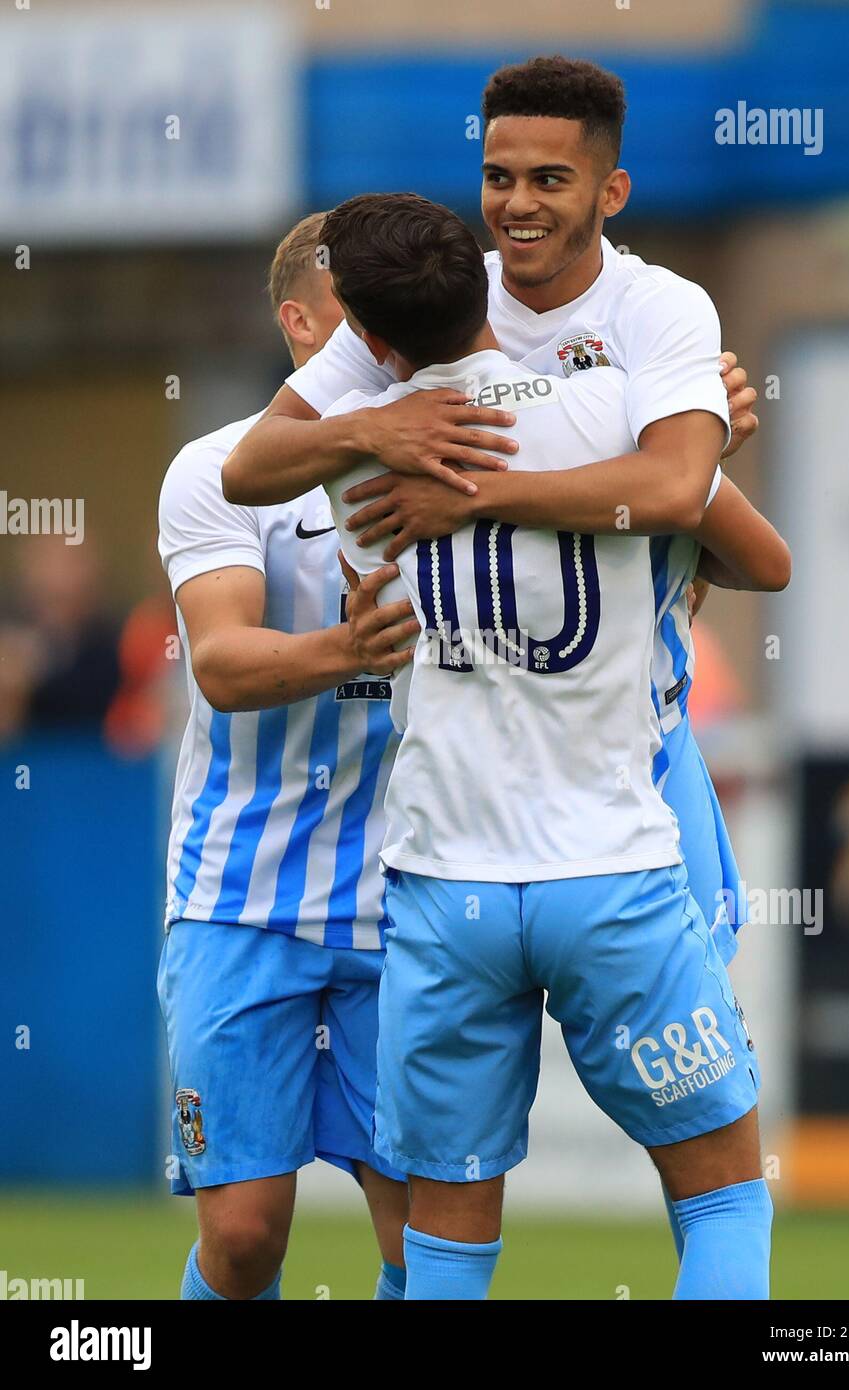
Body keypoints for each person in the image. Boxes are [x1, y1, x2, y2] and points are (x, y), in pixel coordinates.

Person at [319, 191, 789, 1300]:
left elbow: (354, 605)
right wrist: (699, 427)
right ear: (483, 283)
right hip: (608, 868)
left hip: (445, 886)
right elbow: (755, 556)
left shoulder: (348, 476)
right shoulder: (616, 416)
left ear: (369, 338)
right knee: (722, 1190)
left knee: (444, 1231)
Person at [156, 212, 419, 1302]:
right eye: (358, 321)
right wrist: (348, 649)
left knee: (422, 1227)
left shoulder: (445, 465)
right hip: (237, 896)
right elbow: (219, 661)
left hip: (401, 900)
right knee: (248, 1238)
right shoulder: (216, 469)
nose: (382, 351)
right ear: (297, 324)